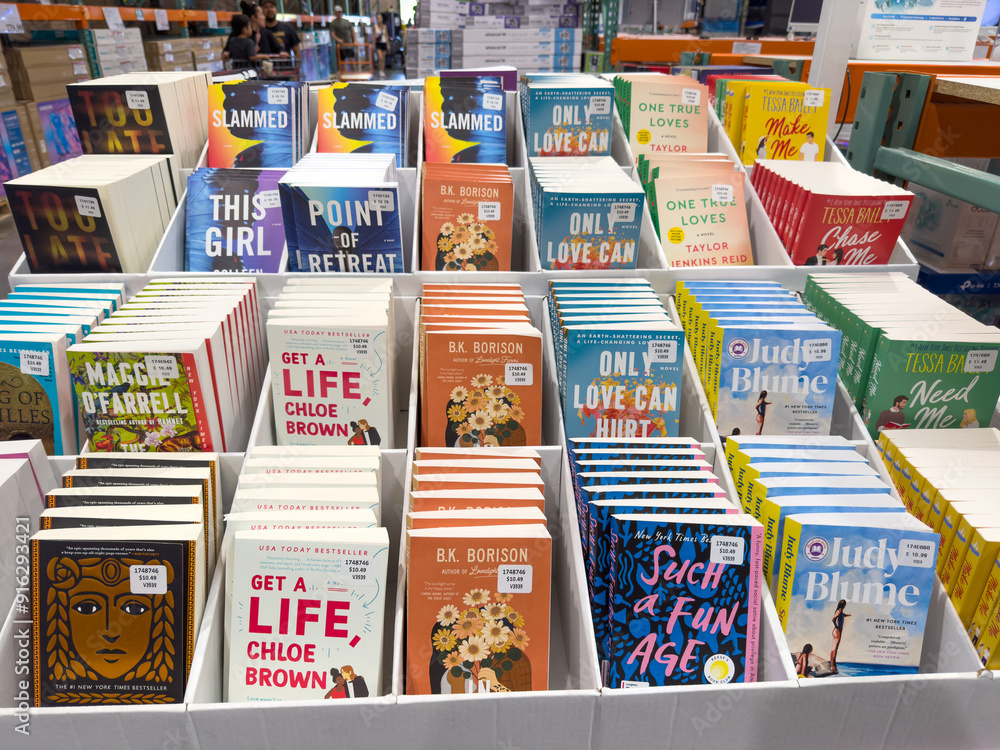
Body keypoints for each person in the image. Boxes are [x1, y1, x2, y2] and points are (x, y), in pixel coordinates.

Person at [830, 599, 851, 674]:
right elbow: (833, 619)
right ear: (844, 605)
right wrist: (837, 627)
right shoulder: (839, 611)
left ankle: (833, 665)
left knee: (835, 649)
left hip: (837, 631)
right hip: (837, 631)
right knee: (834, 649)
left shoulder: (840, 611)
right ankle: (832, 666)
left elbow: (841, 615)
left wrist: (847, 615)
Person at [373, 13, 389, 78]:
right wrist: (373, 43)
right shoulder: (375, 27)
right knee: (380, 57)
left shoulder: (384, 27)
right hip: (378, 43)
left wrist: (388, 44)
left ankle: (382, 70)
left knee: (383, 58)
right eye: (378, 18)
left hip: (384, 43)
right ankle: (380, 71)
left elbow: (386, 35)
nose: (379, 20)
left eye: (380, 18)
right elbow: (373, 36)